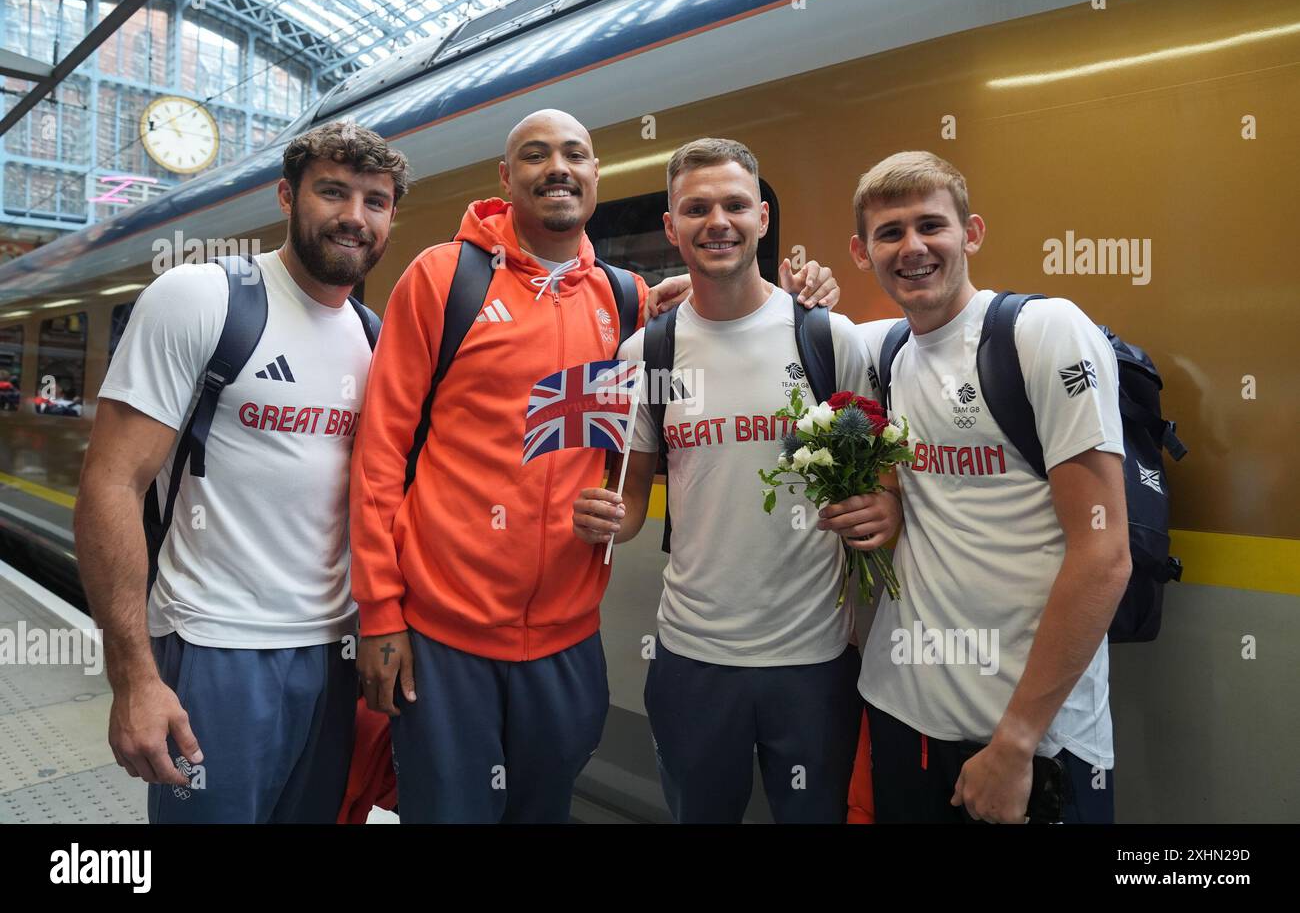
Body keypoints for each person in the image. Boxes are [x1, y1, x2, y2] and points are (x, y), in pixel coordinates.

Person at [349, 111, 839, 823]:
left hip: (568, 638)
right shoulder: (442, 279)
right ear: (506, 178)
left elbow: (717, 334)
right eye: (535, 155)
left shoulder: (626, 301)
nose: (557, 167)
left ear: (595, 175)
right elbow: (380, 454)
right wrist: (380, 613)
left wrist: (808, 294)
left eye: (574, 154)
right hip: (445, 637)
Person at [74, 121, 410, 823]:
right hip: (216, 649)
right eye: (333, 192)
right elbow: (112, 482)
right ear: (286, 196)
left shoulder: (377, 338)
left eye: (375, 201)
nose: (355, 216)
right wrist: (133, 677)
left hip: (332, 655)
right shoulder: (202, 298)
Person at [570, 138, 900, 823]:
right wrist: (603, 519)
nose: (716, 221)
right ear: (671, 227)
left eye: (734, 205)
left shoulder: (829, 338)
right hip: (692, 658)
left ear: (762, 218)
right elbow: (631, 504)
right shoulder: (646, 353)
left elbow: (884, 478)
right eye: (696, 208)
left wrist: (882, 509)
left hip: (815, 660)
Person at [848, 151, 1131, 823]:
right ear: (863, 252)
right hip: (905, 716)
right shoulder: (887, 350)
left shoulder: (1043, 333)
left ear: (971, 233)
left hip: (1032, 739)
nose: (912, 248)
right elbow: (765, 330)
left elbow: (1105, 555)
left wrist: (1016, 742)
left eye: (930, 226)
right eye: (890, 233)